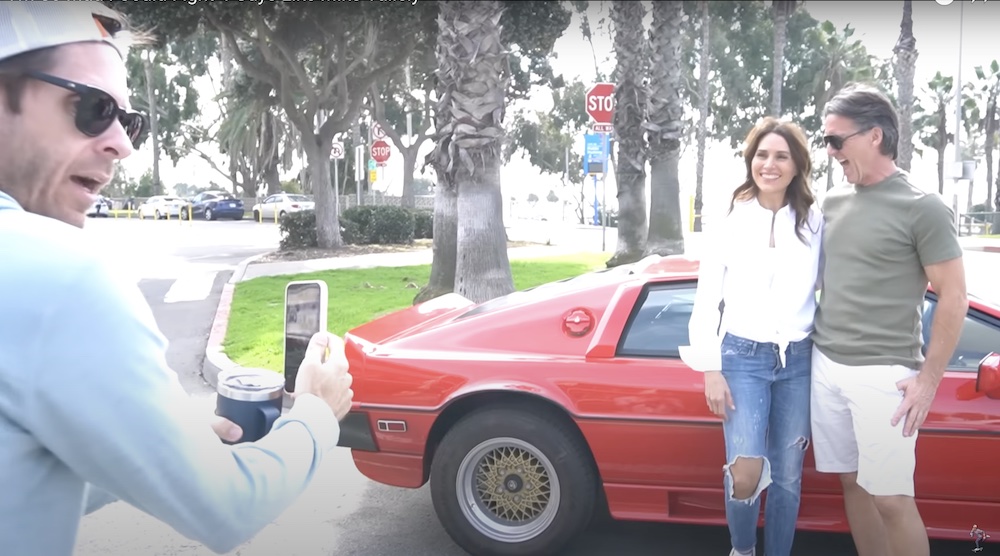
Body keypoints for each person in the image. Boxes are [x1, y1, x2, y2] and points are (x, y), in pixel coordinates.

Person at [0, 4, 354, 555]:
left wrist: (143, 448)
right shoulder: (60, 276)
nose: (124, 143)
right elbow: (229, 505)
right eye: (94, 109)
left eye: (129, 120)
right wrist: (315, 414)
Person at [811, 83, 967, 556]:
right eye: (826, 140)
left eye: (836, 140)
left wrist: (928, 381)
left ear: (874, 135)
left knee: (893, 501)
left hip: (885, 375)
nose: (830, 150)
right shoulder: (832, 202)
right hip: (826, 365)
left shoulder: (924, 206)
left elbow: (955, 297)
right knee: (853, 486)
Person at [681, 117, 824, 556]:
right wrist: (710, 368)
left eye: (781, 156)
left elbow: (831, 288)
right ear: (750, 161)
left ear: (797, 164)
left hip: (799, 360)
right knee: (744, 473)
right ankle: (742, 549)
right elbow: (706, 297)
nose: (770, 164)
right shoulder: (730, 219)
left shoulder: (815, 221)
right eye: (762, 155)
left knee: (787, 475)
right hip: (741, 358)